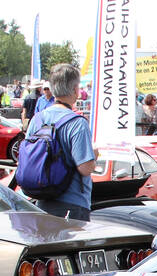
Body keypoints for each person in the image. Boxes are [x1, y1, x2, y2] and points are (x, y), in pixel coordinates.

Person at [29, 63, 96, 221]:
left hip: (42, 200)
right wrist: (94, 155)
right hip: (72, 203)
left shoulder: (37, 119)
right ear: (75, 90)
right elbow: (85, 168)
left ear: (52, 89)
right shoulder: (77, 123)